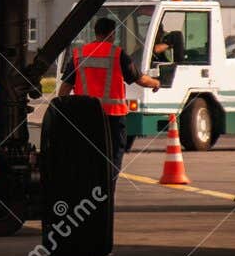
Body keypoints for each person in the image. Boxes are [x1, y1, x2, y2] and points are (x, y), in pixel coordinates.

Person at [58, 17, 161, 178]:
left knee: (88, 155)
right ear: (112, 34)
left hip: (85, 116)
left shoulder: (79, 54)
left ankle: (90, 185)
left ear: (96, 32)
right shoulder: (117, 54)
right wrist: (155, 83)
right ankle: (108, 185)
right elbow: (140, 79)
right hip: (113, 116)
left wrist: (62, 111)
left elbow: (65, 88)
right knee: (113, 156)